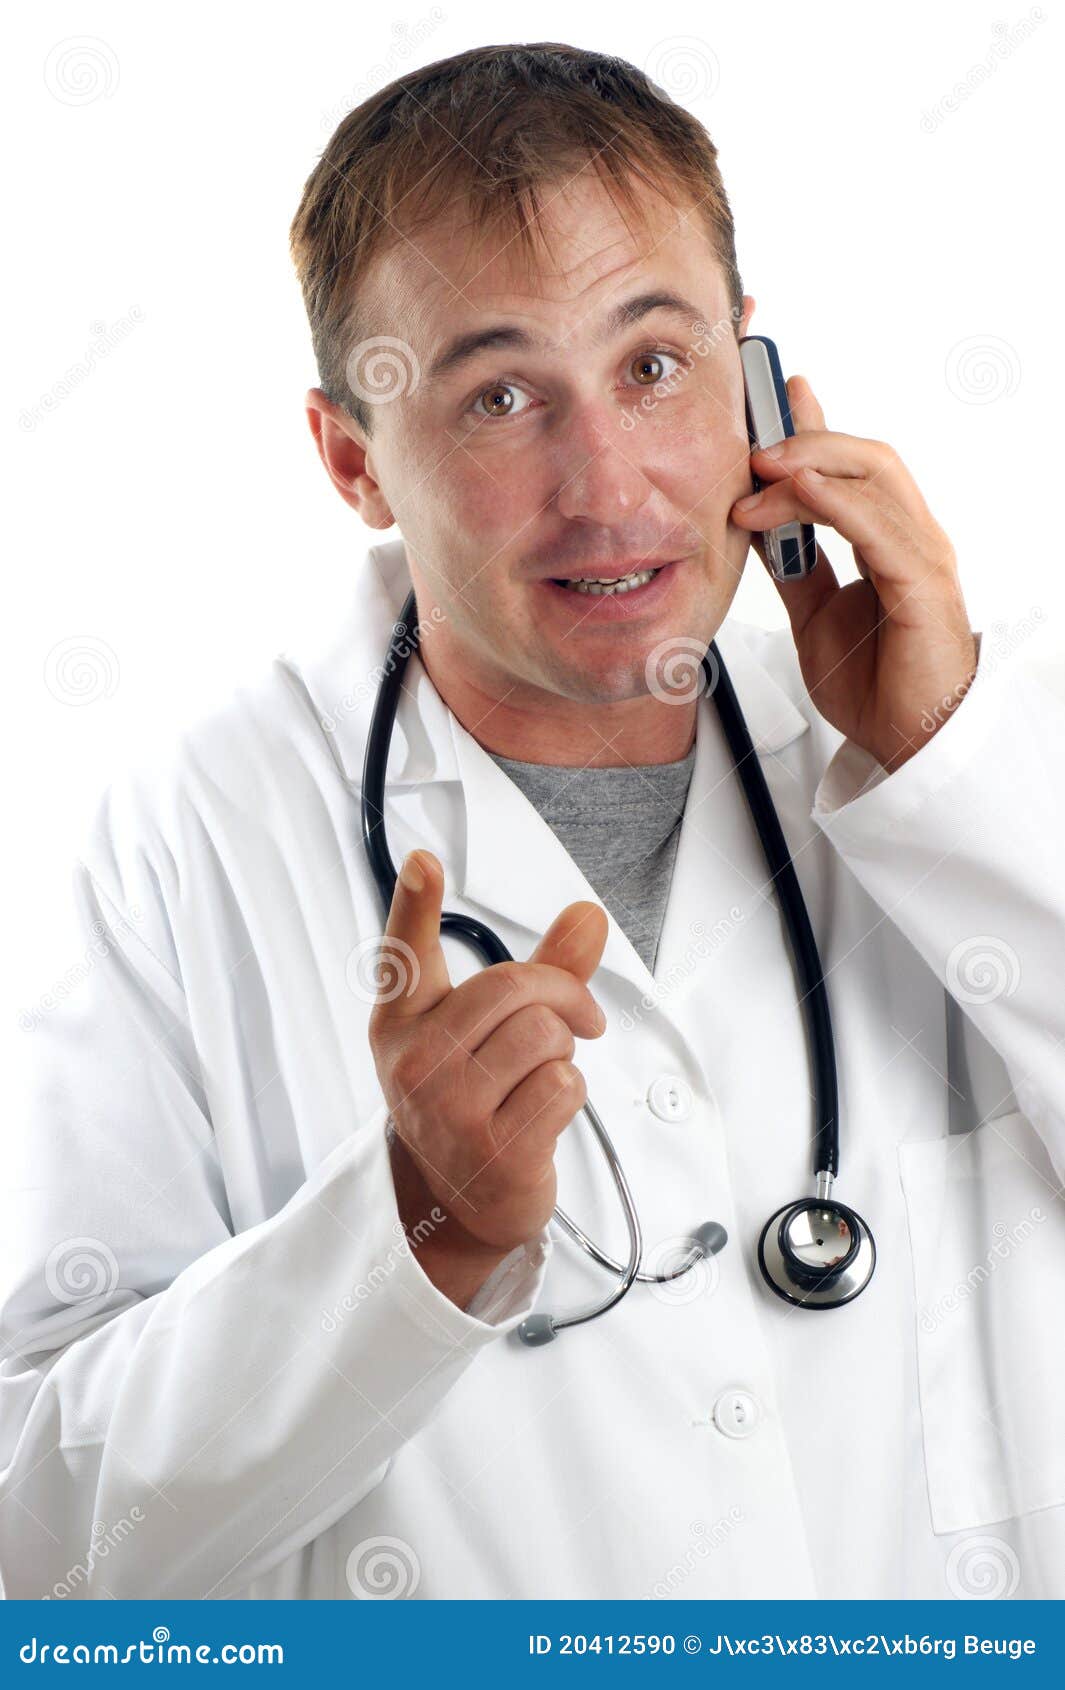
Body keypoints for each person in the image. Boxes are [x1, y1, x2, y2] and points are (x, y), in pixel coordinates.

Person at [3, 41, 1064, 1604]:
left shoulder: (973, 749)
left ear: (755, 375)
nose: (609, 484)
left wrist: (963, 784)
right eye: (500, 395)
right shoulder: (195, 838)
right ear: (353, 458)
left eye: (654, 365)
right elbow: (44, 1550)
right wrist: (407, 1241)